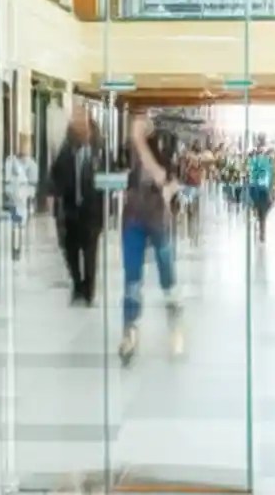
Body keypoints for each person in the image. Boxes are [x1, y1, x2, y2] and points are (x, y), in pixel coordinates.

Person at [118, 116, 182, 365]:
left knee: (166, 272)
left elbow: (161, 177)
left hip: (157, 221)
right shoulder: (130, 154)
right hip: (133, 220)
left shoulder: (161, 151)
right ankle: (129, 329)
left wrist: (139, 139)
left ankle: (174, 316)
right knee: (132, 278)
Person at [50, 111, 103, 306]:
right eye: (76, 127)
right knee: (70, 251)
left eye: (83, 127)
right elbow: (55, 177)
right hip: (69, 211)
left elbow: (110, 176)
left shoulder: (99, 152)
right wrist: (53, 198)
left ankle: (89, 291)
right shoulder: (65, 152)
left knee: (90, 254)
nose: (80, 131)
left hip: (92, 212)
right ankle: (77, 284)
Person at [3, 142, 36, 260]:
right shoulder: (11, 162)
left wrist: (30, 198)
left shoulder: (31, 164)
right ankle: (15, 247)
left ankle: (18, 247)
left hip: (23, 199)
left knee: (20, 224)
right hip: (15, 198)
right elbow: (7, 181)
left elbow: (33, 182)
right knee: (15, 224)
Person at [247, 139, 275, 243]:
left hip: (255, 189)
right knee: (263, 211)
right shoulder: (267, 162)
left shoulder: (253, 161)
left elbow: (250, 175)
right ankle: (262, 231)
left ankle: (259, 224)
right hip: (262, 189)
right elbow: (269, 178)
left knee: (259, 209)